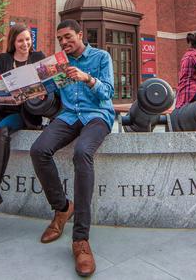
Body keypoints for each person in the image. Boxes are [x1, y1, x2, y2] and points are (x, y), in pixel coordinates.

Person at [29, 20, 114, 277]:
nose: (64, 42)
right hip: (68, 116)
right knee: (39, 150)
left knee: (82, 153)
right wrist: (30, 92)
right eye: (60, 39)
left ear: (80, 35)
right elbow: (46, 91)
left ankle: (80, 239)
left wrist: (87, 78)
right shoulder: (58, 63)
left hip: (97, 115)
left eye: (68, 37)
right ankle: (63, 207)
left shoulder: (101, 57)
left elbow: (109, 92)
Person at [0, 24, 46, 218]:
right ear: (13, 42)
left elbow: (47, 87)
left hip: (24, 112)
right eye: (20, 40)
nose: (25, 43)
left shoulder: (38, 57)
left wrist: (39, 93)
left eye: (28, 39)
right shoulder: (3, 59)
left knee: (2, 128)